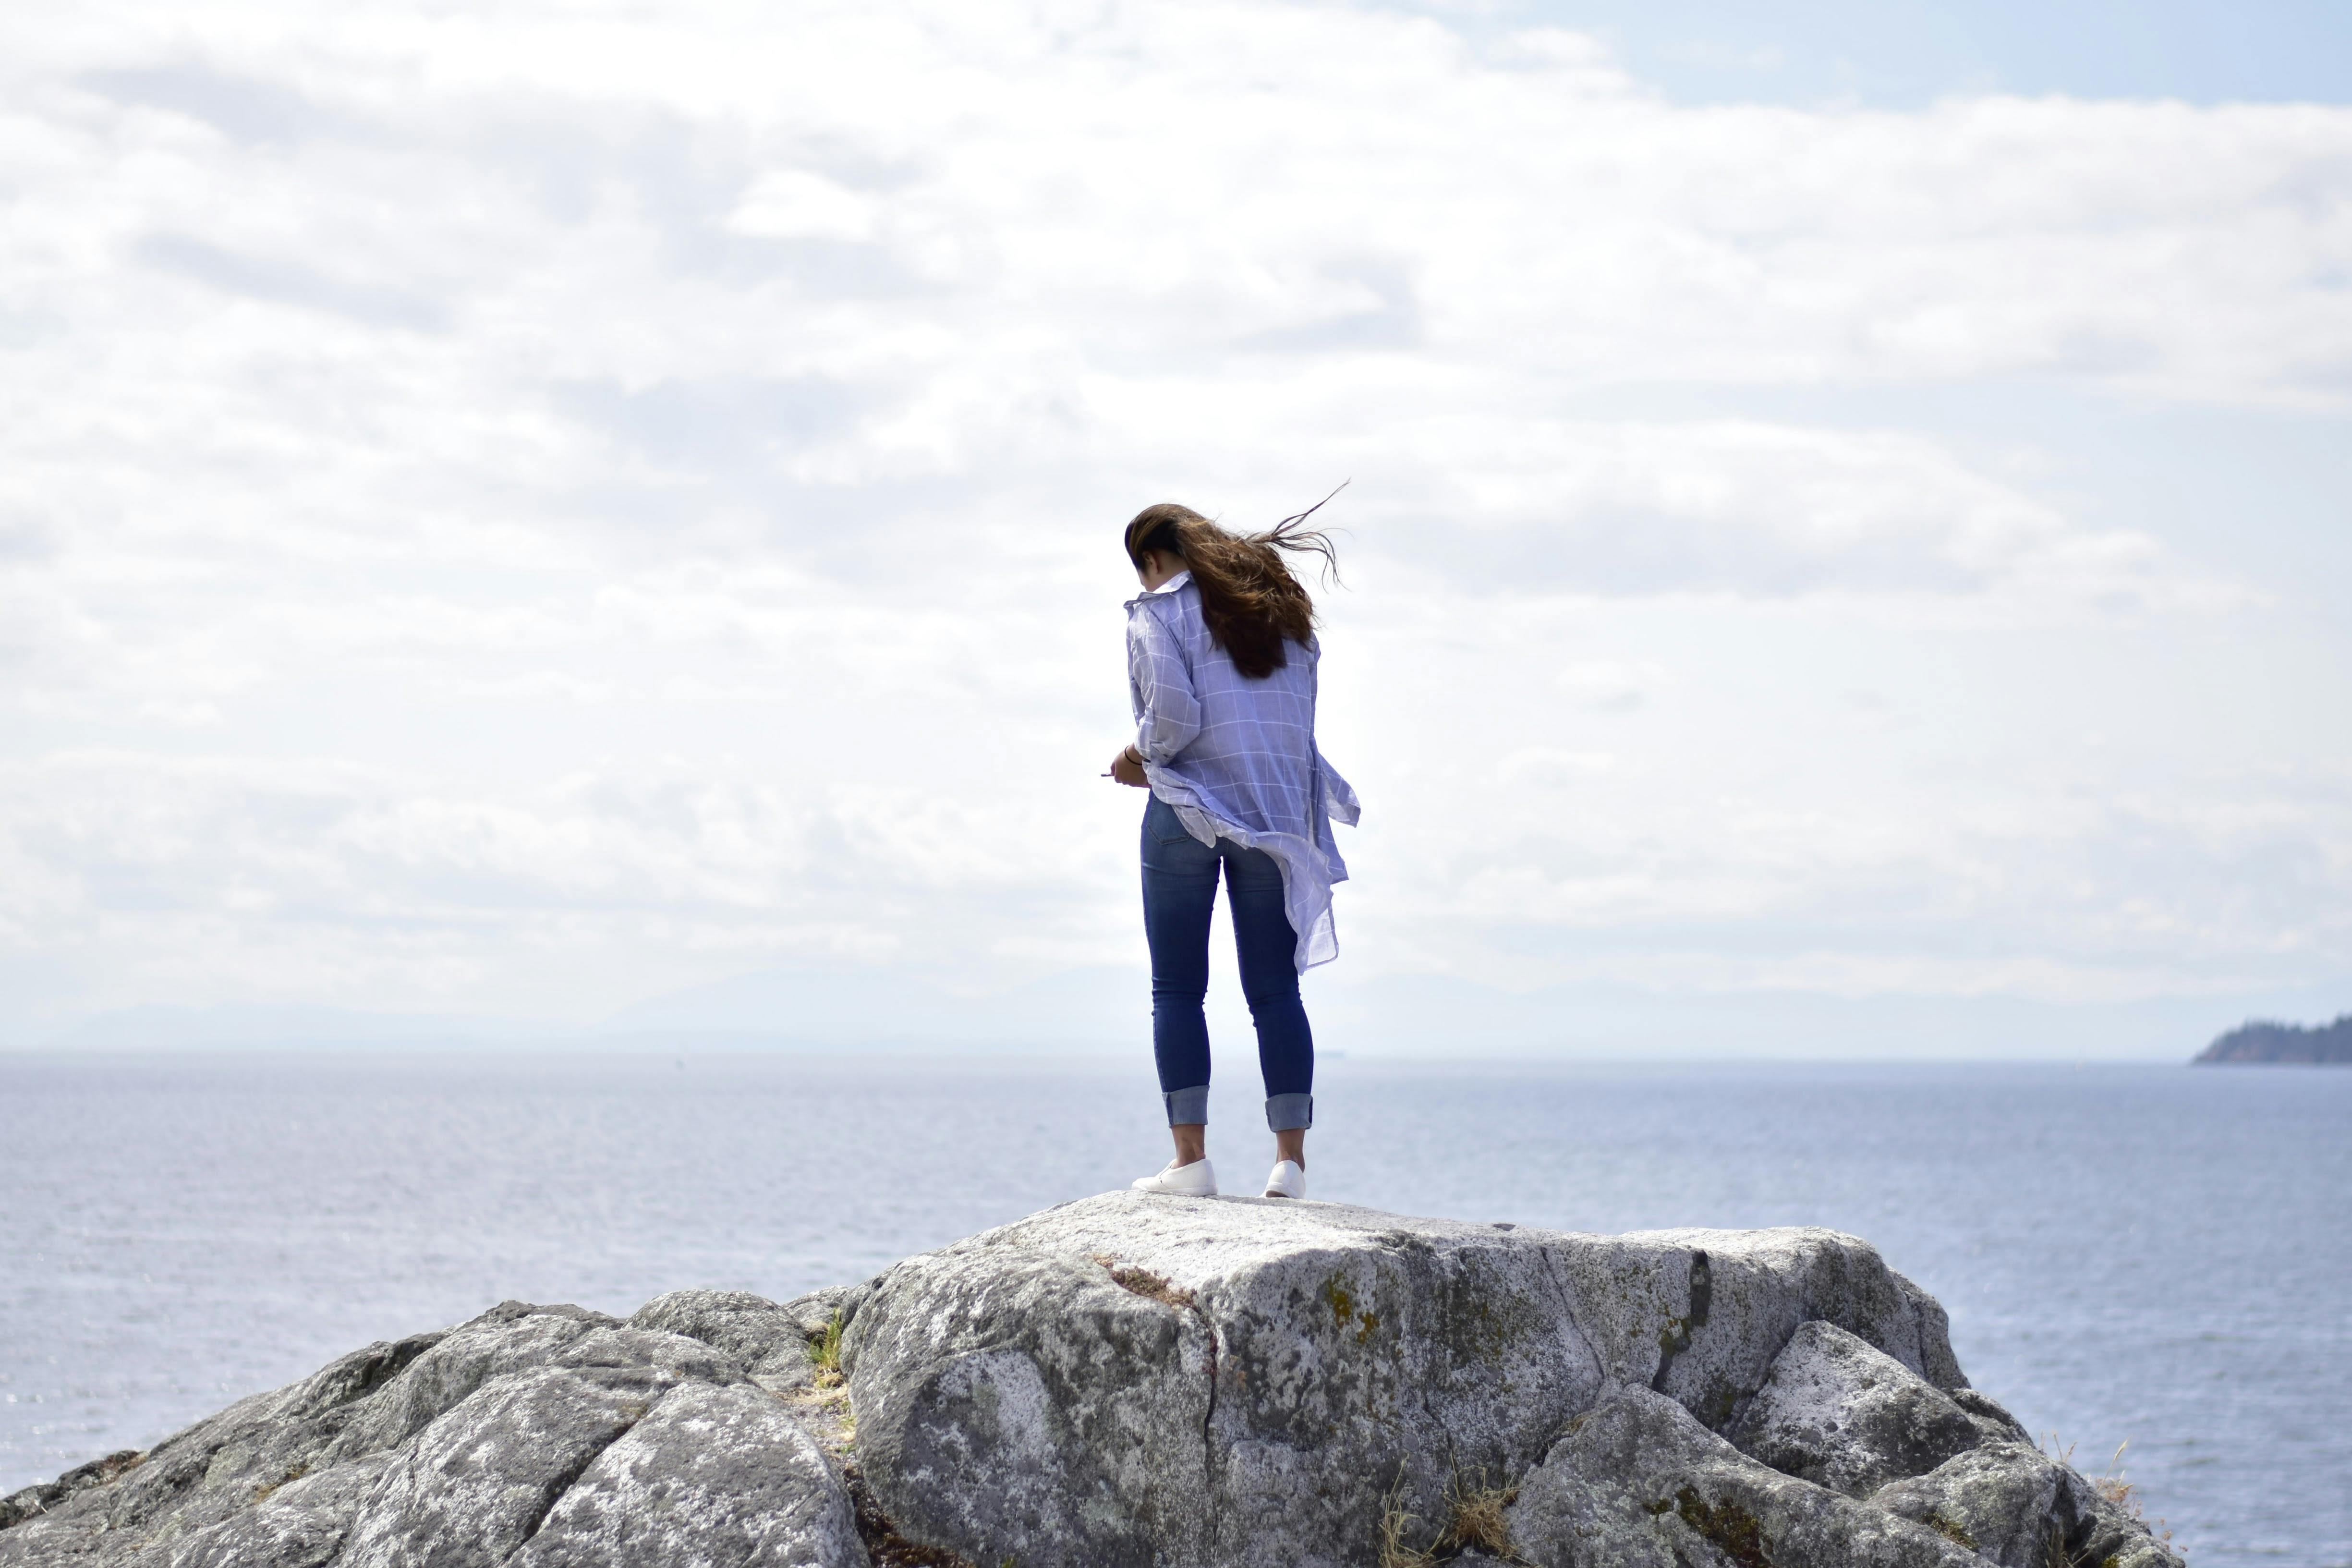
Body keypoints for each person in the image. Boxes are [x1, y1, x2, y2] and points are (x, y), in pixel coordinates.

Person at [1109, 498, 1359, 1200]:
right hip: (1273, 816)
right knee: (1276, 991)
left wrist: (1135, 756)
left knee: (1178, 987)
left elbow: (1175, 717)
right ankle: (1290, 1165)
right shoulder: (1284, 620)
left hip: (1187, 810)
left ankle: (1190, 1161)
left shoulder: (1156, 613)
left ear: (1154, 561)